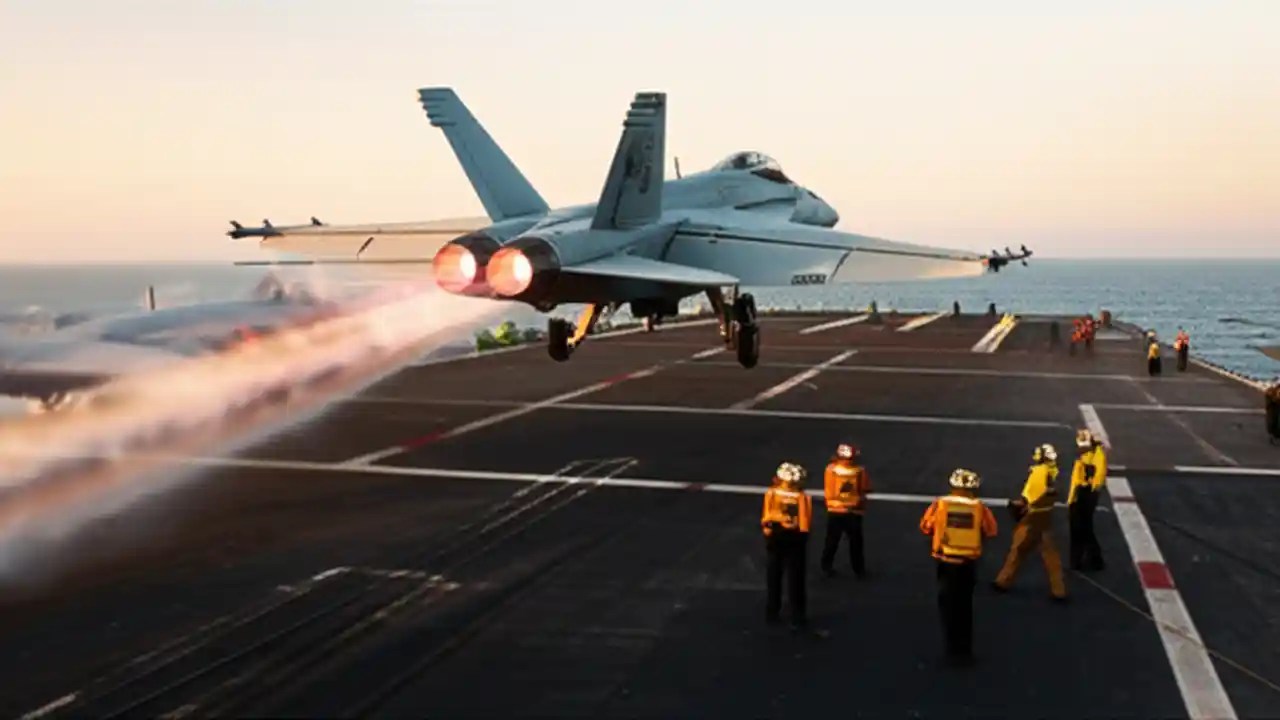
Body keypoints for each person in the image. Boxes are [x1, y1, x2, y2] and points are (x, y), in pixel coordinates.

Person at [919, 468, 998, 664]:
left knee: (948, 606)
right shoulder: (979, 507)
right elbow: (991, 530)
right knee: (965, 607)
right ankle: (965, 651)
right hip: (967, 563)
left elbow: (926, 527)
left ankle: (951, 649)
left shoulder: (940, 504)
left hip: (946, 560)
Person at [992, 444, 1068, 601]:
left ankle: (1003, 581)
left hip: (1032, 518)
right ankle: (1058, 590)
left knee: (1018, 550)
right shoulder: (1053, 473)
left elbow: (1030, 496)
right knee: (1050, 555)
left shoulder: (1039, 472)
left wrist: (1019, 505)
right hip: (1046, 517)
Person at [761, 462, 813, 628]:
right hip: (795, 538)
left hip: (776, 536)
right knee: (796, 579)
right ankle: (797, 616)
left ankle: (772, 612)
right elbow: (805, 521)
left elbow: (766, 515)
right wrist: (803, 535)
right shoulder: (802, 497)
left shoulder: (772, 493)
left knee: (774, 576)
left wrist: (768, 532)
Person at [820, 443, 870, 578]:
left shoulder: (832, 470)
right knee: (852, 542)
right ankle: (857, 569)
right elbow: (864, 489)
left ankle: (828, 565)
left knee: (836, 540)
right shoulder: (859, 470)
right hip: (850, 510)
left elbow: (829, 492)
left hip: (840, 510)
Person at [1068, 429, 1107, 571]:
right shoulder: (1086, 454)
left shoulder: (1096, 456)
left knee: (1081, 528)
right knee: (1084, 528)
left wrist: (1090, 487)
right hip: (1080, 493)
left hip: (1086, 494)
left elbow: (1099, 476)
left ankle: (1079, 561)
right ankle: (1093, 559)